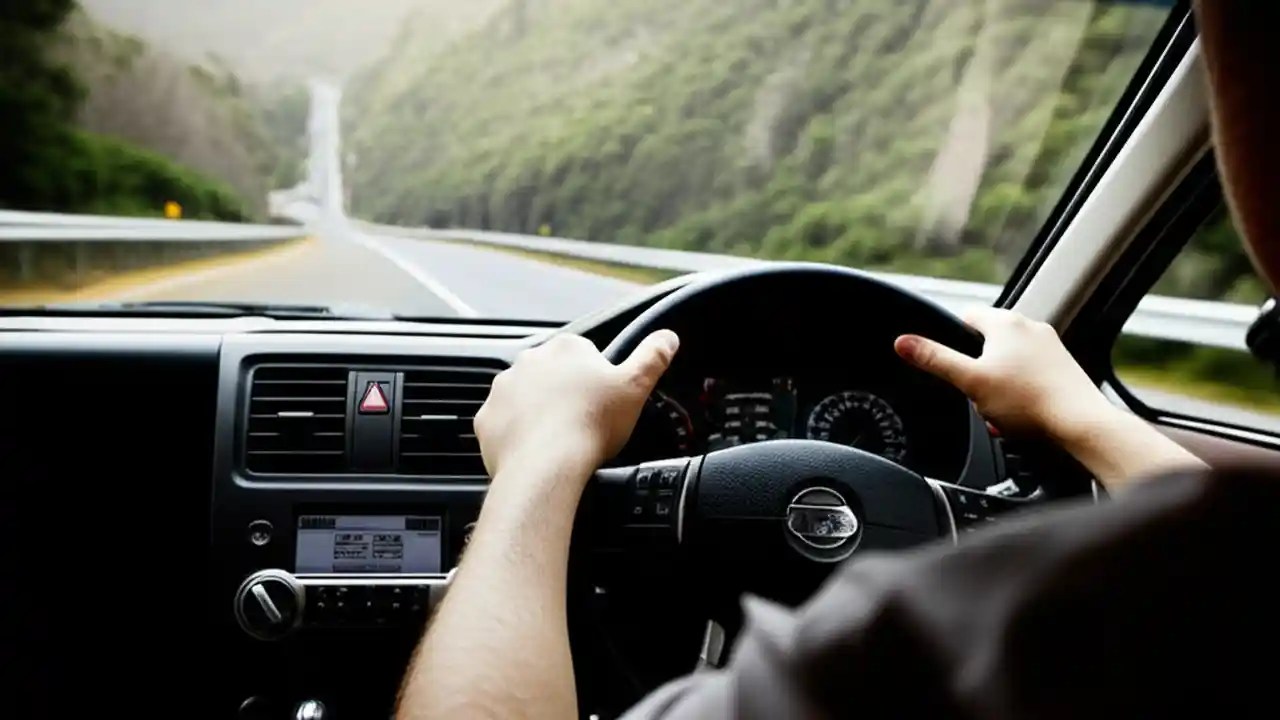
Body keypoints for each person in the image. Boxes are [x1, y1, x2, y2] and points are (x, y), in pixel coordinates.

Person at [394, 2, 1280, 718]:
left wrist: (544, 460)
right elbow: (1223, 550)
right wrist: (1082, 416)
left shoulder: (918, 658)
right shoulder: (1197, 608)